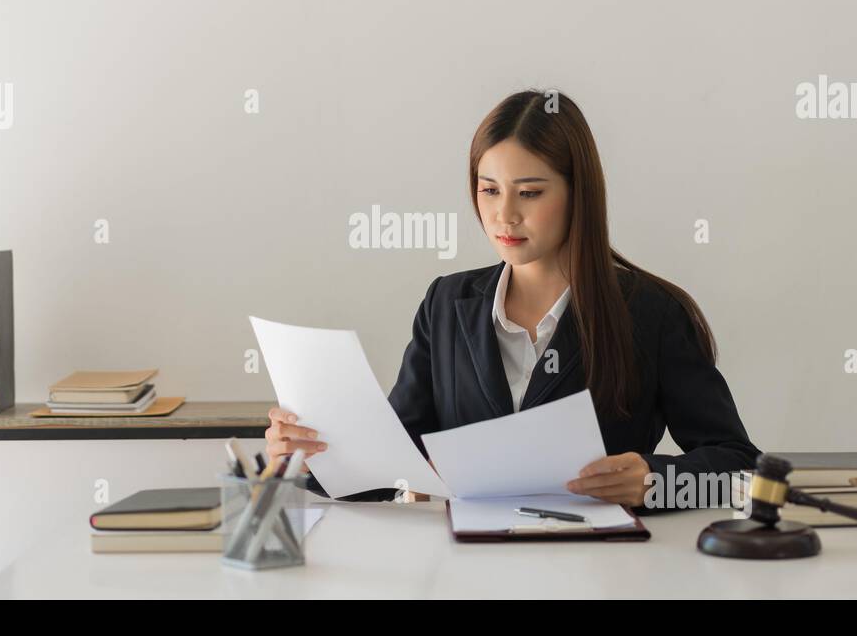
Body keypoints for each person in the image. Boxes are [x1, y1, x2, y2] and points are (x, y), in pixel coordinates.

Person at [265, 89, 762, 508]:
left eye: (529, 193)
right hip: (469, 570)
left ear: (578, 194)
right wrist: (306, 457)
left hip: (602, 570)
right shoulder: (446, 303)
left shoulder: (651, 313)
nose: (503, 215)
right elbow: (394, 462)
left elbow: (738, 463)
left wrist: (657, 481)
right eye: (488, 190)